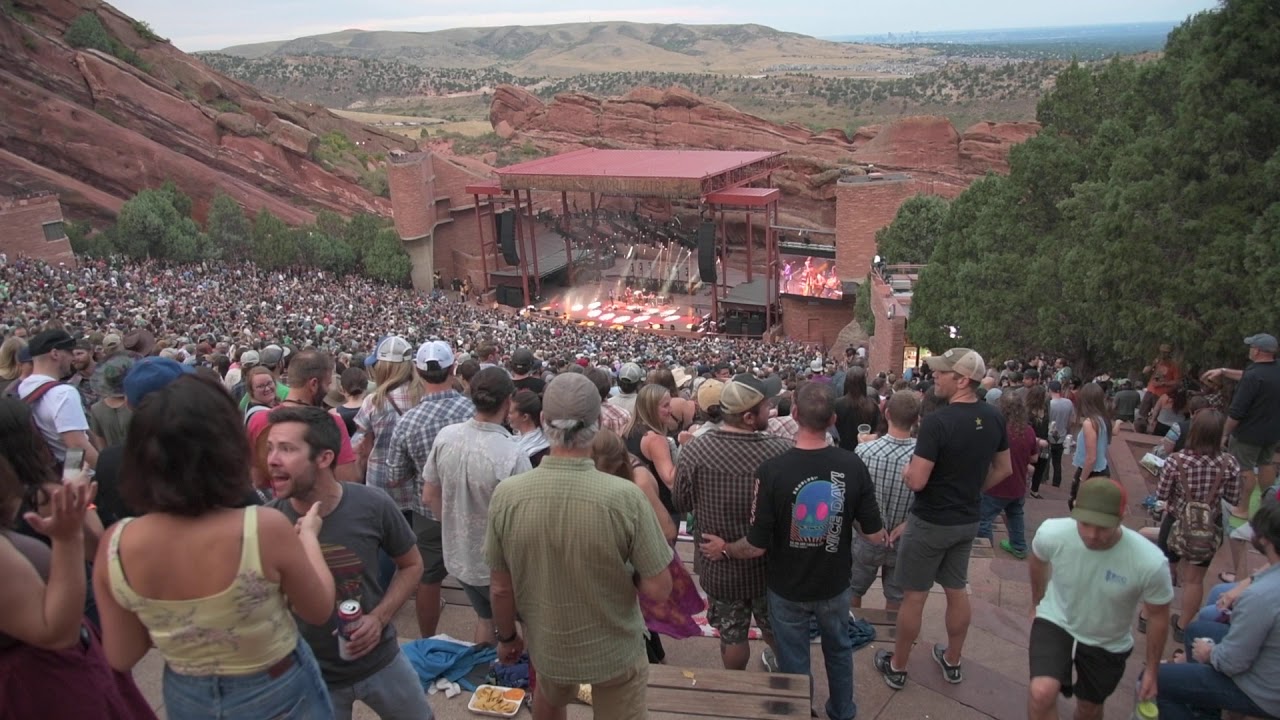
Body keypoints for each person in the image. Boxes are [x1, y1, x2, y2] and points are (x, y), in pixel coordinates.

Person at [91, 374, 336, 720]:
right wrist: (309, 537)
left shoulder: (115, 545)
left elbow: (121, 654)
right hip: (275, 686)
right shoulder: (262, 528)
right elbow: (319, 609)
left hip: (188, 694)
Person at [485, 373, 673, 719]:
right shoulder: (625, 497)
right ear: (599, 423)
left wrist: (509, 637)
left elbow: (500, 588)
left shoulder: (507, 495)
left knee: (549, 700)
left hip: (548, 646)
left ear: (543, 421)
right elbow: (659, 589)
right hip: (614, 649)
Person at [700, 382, 886, 720]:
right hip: (834, 583)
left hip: (787, 587)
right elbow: (874, 535)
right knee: (840, 650)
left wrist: (725, 548)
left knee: (794, 659)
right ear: (832, 419)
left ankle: (801, 713)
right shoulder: (852, 465)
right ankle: (843, 711)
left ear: (795, 414)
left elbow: (755, 546)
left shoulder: (772, 471)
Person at [266, 405, 432, 720]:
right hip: (312, 677)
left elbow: (412, 565)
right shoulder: (271, 524)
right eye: (270, 448)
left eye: (287, 449)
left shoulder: (372, 504)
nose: (272, 459)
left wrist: (379, 618)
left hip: (381, 661)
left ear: (325, 458)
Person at [875, 348, 1011, 691]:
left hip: (931, 521)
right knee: (957, 591)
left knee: (914, 597)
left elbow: (918, 480)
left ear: (962, 380)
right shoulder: (994, 417)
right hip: (966, 519)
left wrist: (908, 471)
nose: (935, 375)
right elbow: (1004, 469)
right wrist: (971, 491)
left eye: (942, 372)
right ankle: (952, 659)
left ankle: (898, 665)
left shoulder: (938, 422)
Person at [1027, 477, 1174, 720]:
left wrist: (1152, 671)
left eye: (1103, 526)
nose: (1092, 534)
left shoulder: (1149, 561)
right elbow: (1037, 559)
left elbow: (1158, 616)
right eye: (1085, 523)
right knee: (1041, 693)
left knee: (1089, 707)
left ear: (1122, 517)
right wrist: (1037, 602)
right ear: (1074, 507)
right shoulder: (1052, 532)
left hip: (1107, 639)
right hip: (1056, 620)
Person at [675, 373, 791, 672]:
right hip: (770, 567)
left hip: (721, 567)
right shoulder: (779, 452)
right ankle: (788, 676)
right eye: (766, 406)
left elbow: (682, 503)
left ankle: (736, 688)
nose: (771, 410)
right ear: (750, 417)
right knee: (775, 630)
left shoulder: (695, 450)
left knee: (732, 635)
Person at [422, 367, 530, 644]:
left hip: (459, 557)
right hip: (501, 568)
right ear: (508, 402)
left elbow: (429, 494)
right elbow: (525, 522)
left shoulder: (446, 436)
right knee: (525, 628)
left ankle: (489, 682)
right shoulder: (513, 453)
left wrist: (455, 528)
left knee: (485, 618)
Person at [1155, 497, 1280, 720]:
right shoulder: (1267, 583)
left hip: (1263, 692)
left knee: (1153, 682)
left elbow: (1233, 662)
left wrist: (1210, 653)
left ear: (1267, 540)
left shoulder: (1260, 597)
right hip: (1268, 662)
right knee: (1196, 630)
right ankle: (1203, 708)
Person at [385, 340, 475, 638]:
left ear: (418, 372)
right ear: (454, 369)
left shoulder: (408, 422)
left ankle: (428, 641)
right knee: (487, 574)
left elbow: (394, 476)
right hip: (475, 508)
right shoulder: (475, 411)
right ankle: (495, 636)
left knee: (429, 577)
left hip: (428, 513)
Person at [1155, 409, 1241, 642]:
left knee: (1164, 572)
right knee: (1195, 579)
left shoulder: (1176, 460)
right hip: (1209, 526)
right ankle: (1183, 627)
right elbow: (1234, 498)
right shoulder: (1229, 463)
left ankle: (1151, 617)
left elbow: (1161, 493)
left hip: (1176, 522)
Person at [1205, 333, 1280, 545]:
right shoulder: (1274, 369)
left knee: (1244, 468)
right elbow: (1250, 375)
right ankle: (1268, 503)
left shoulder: (1253, 376)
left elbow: (1237, 412)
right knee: (1266, 463)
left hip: (1248, 432)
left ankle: (1243, 507)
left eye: (1251, 347)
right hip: (1273, 430)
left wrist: (1225, 433)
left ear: (1257, 350)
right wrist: (1224, 371)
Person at [850, 390, 920, 612]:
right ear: (916, 419)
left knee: (852, 589)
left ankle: (851, 629)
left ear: (887, 414)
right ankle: (891, 636)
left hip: (868, 535)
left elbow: (852, 497)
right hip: (904, 537)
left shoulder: (863, 451)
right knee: (896, 596)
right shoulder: (923, 456)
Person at [18, 329, 98, 470]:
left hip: (46, 473)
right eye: (69, 352)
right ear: (55, 354)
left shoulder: (22, 387)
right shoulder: (63, 393)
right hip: (73, 476)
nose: (73, 358)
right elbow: (77, 447)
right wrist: (106, 471)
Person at [977, 393, 1038, 559]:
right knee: (1015, 514)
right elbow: (1034, 457)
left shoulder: (995, 429)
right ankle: (1019, 546)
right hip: (1018, 483)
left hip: (997, 484)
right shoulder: (1028, 430)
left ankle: (985, 548)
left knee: (984, 519)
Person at [1068, 383, 1112, 510]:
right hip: (1101, 469)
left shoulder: (1090, 423)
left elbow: (1091, 457)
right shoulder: (1102, 419)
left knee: (1078, 506)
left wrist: (1082, 480)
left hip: (1092, 472)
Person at [1046, 380, 1075, 490]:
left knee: (1046, 460)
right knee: (1057, 462)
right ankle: (1056, 483)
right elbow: (1071, 420)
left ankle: (1044, 481)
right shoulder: (1068, 403)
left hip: (1049, 436)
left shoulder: (1050, 404)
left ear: (1050, 390)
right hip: (1062, 436)